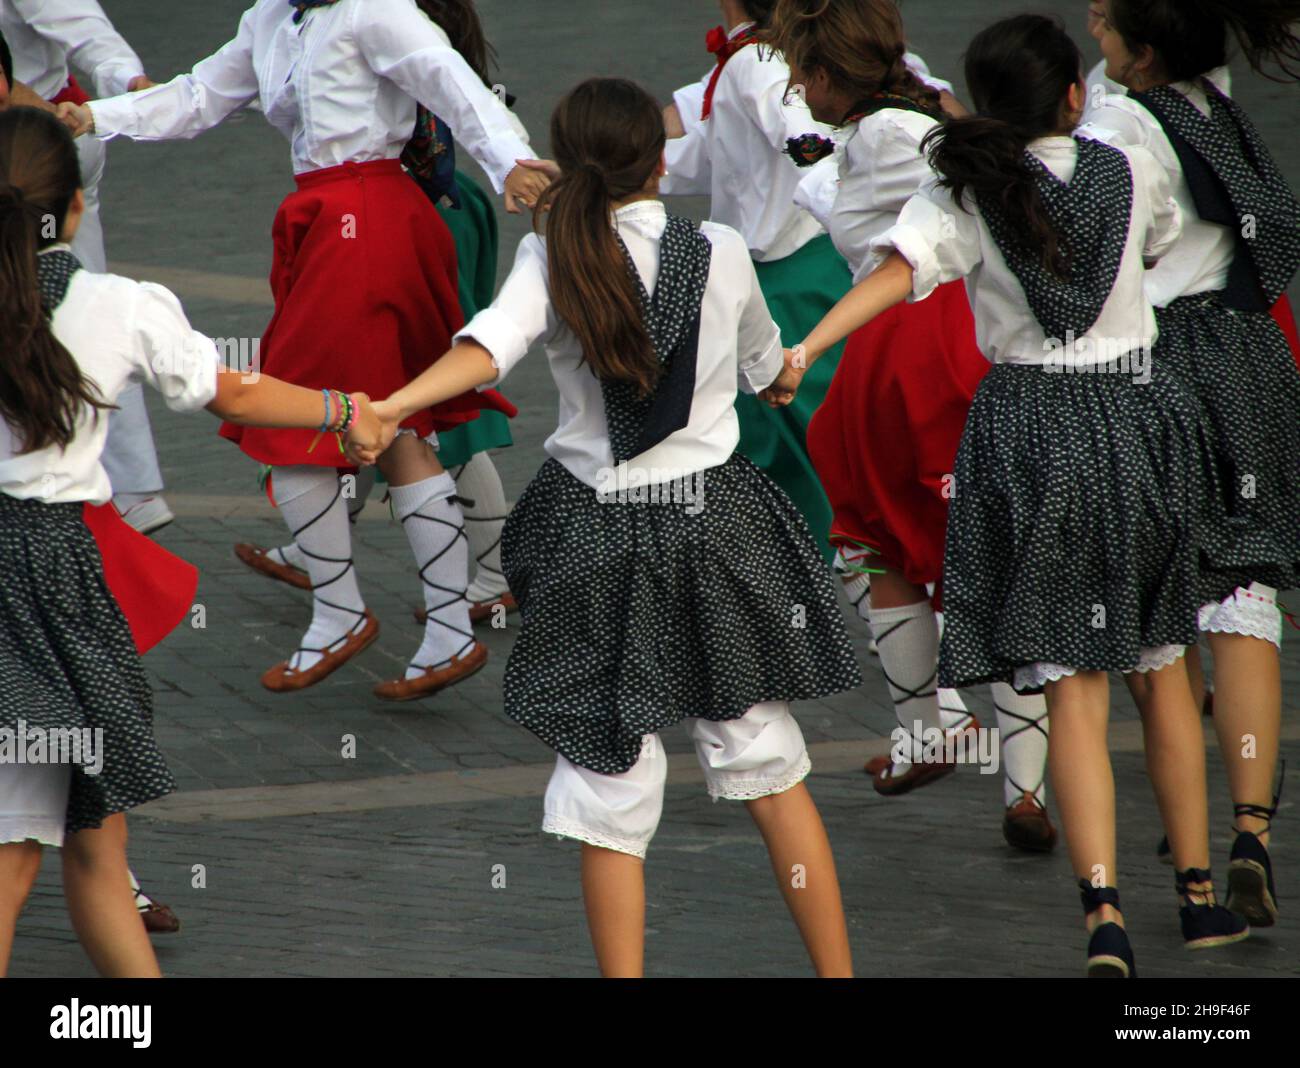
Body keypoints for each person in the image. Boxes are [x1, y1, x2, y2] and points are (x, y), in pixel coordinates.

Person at [767, 14, 1249, 976]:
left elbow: (898, 275)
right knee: (1161, 668)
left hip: (1028, 426)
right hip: (1132, 422)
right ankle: (1200, 897)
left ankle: (1102, 910)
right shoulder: (1127, 161)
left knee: (1072, 682)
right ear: (1074, 93)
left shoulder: (967, 190)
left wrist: (808, 349)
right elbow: (1160, 248)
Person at [358, 78, 863, 977]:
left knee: (609, 778)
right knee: (765, 760)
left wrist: (391, 403)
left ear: (568, 161)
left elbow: (485, 348)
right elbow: (764, 370)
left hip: (592, 532)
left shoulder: (552, 256)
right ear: (662, 161)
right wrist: (785, 374)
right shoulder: (723, 251)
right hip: (715, 526)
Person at [59, 0, 552, 699]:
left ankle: (348, 612)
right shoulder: (268, 18)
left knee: (291, 414)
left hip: (370, 221)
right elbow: (200, 96)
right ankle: (439, 626)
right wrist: (98, 115)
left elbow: (449, 80)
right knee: (387, 419)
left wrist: (513, 161)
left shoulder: (374, 10)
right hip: (336, 224)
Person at [0, 106, 383, 976]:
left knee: (51, 844)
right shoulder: (113, 306)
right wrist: (346, 410)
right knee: (64, 850)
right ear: (72, 212)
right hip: (53, 586)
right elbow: (235, 394)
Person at [764, 0, 1055, 851]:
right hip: (964, 343)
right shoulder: (908, 117)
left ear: (825, 78)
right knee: (987, 548)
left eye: (801, 74)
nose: (794, 87)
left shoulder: (891, 134)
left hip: (903, 346)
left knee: (871, 532)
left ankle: (931, 727)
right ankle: (1023, 788)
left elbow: (906, 239)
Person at [1082, 0, 1300, 929]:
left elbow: (1112, 247)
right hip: (1249, 355)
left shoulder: (1120, 125)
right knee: (1247, 592)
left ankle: (1195, 845)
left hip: (1158, 363)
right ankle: (1253, 828)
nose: (1092, 23)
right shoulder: (1215, 100)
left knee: (1160, 603)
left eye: (1106, 23)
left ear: (1143, 54)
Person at [0, 0, 173, 534]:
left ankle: (123, 487)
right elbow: (84, 27)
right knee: (79, 306)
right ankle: (132, 486)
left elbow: (83, 28)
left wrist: (130, 85)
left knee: (59, 311)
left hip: (37, 150)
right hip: (47, 141)